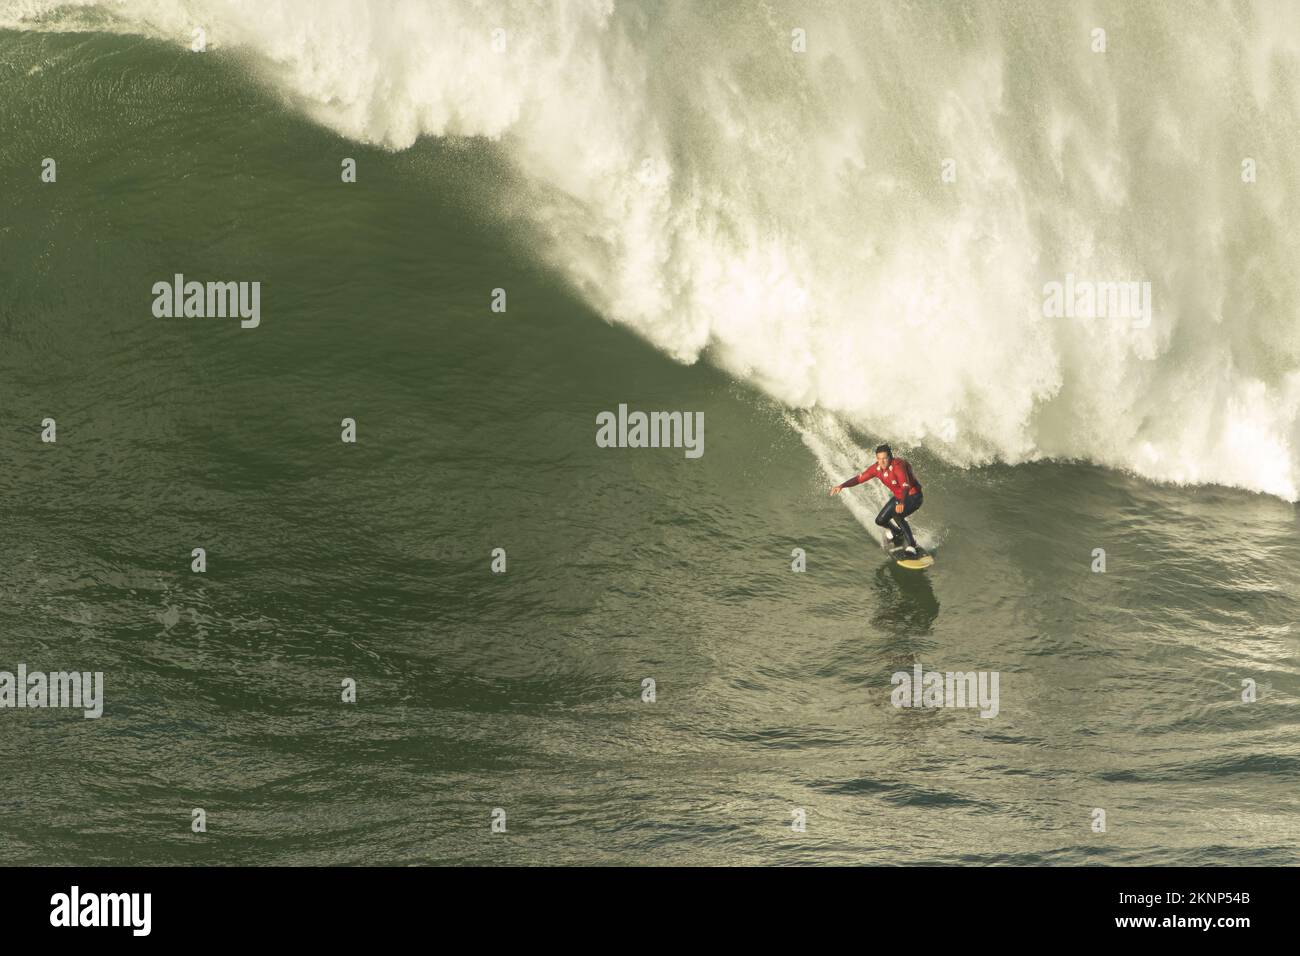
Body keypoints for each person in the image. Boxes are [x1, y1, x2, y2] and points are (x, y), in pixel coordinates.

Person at [830, 444, 924, 555]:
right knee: (880, 520)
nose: (882, 461)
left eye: (884, 458)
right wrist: (842, 485)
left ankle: (912, 545)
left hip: (914, 496)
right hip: (899, 497)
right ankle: (897, 532)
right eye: (879, 459)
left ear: (890, 457)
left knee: (897, 515)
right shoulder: (876, 468)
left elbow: (905, 486)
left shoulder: (898, 466)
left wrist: (902, 502)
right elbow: (859, 479)